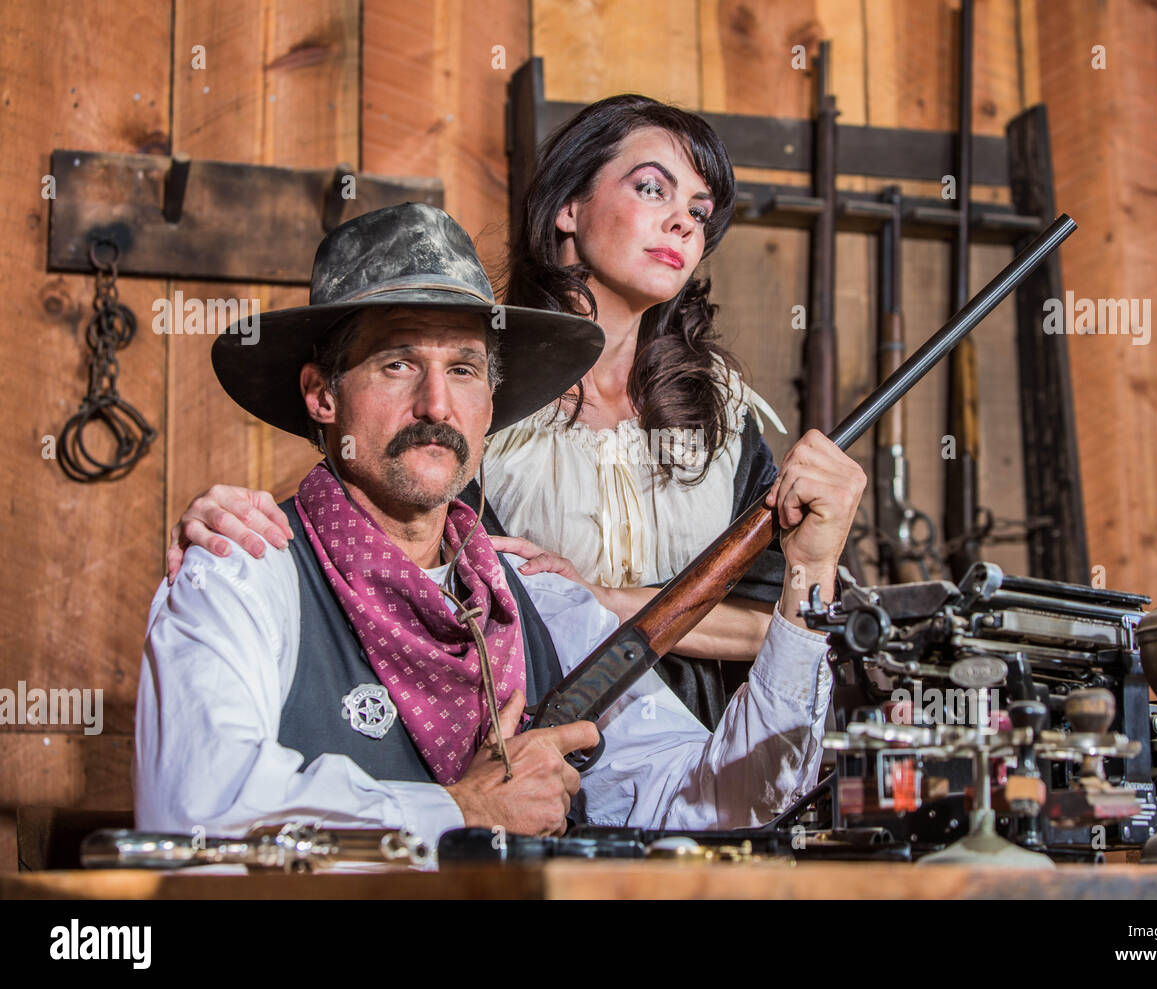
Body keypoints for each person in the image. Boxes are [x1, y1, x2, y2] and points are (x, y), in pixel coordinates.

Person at [135, 203, 865, 853]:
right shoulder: (240, 572)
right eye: (397, 364)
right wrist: (457, 809)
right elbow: (192, 814)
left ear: (490, 402)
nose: (436, 405)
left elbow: (726, 800)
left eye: (464, 369)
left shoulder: (545, 607)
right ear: (323, 395)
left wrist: (808, 577)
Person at [164, 95, 793, 730]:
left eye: (699, 211)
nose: (685, 223)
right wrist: (239, 533)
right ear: (569, 207)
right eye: (654, 188)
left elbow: (782, 623)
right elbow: (389, 548)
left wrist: (599, 603)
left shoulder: (721, 417)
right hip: (525, 755)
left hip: (707, 770)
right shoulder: (474, 402)